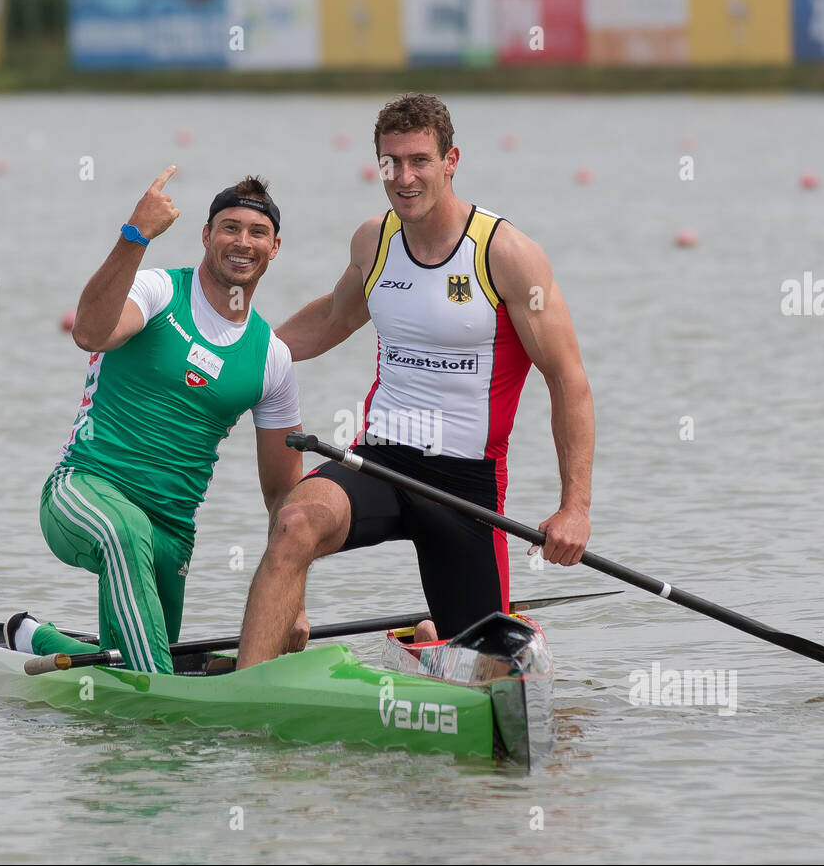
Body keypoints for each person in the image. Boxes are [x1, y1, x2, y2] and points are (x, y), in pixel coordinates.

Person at [237, 93, 594, 669]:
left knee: (490, 671)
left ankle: (439, 636)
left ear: (451, 160)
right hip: (379, 460)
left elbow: (568, 380)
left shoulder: (507, 255)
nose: (404, 177)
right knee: (294, 522)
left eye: (419, 160)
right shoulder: (374, 241)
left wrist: (573, 507)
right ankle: (247, 696)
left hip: (465, 485)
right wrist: (242, 359)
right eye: (390, 162)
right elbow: (332, 317)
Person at [5, 167, 303, 674]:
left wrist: (295, 601)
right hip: (83, 491)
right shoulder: (157, 291)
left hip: (171, 534)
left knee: (130, 664)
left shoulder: (272, 358)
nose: (242, 242)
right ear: (206, 236)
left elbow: (282, 495)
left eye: (257, 233)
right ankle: (165, 700)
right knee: (129, 545)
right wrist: (135, 234)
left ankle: (40, 639)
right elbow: (90, 333)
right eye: (229, 227)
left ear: (275, 248)